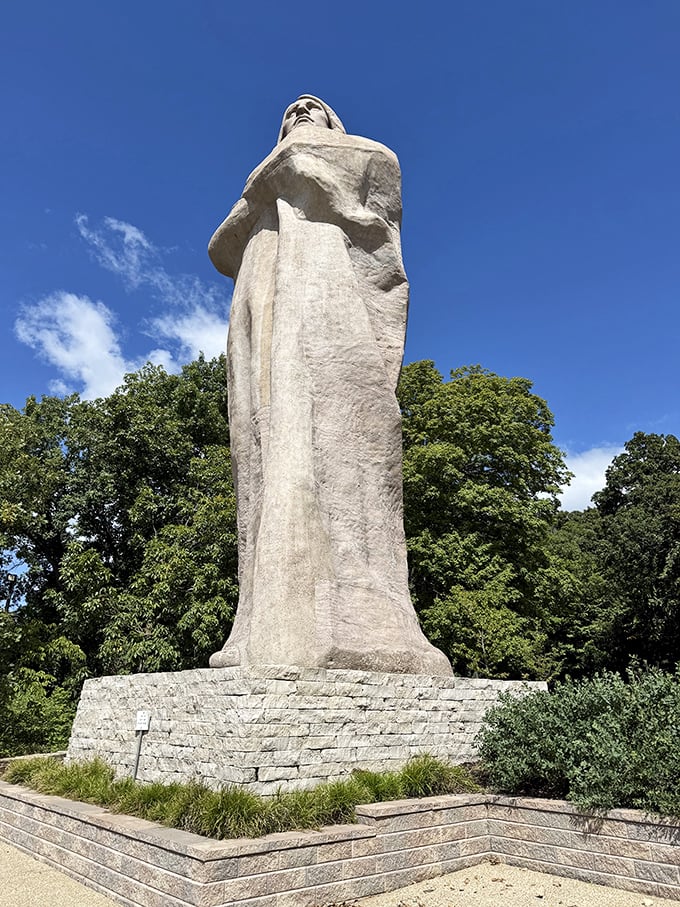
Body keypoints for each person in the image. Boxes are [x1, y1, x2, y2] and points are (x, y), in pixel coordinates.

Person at [208, 96, 451, 675]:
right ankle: (262, 624)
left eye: (311, 106)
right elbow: (219, 248)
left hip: (324, 279)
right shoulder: (263, 192)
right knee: (264, 446)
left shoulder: (362, 152)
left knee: (331, 435)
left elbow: (364, 196)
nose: (298, 110)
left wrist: (289, 174)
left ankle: (354, 618)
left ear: (332, 122)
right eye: (289, 110)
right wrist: (276, 179)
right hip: (261, 289)